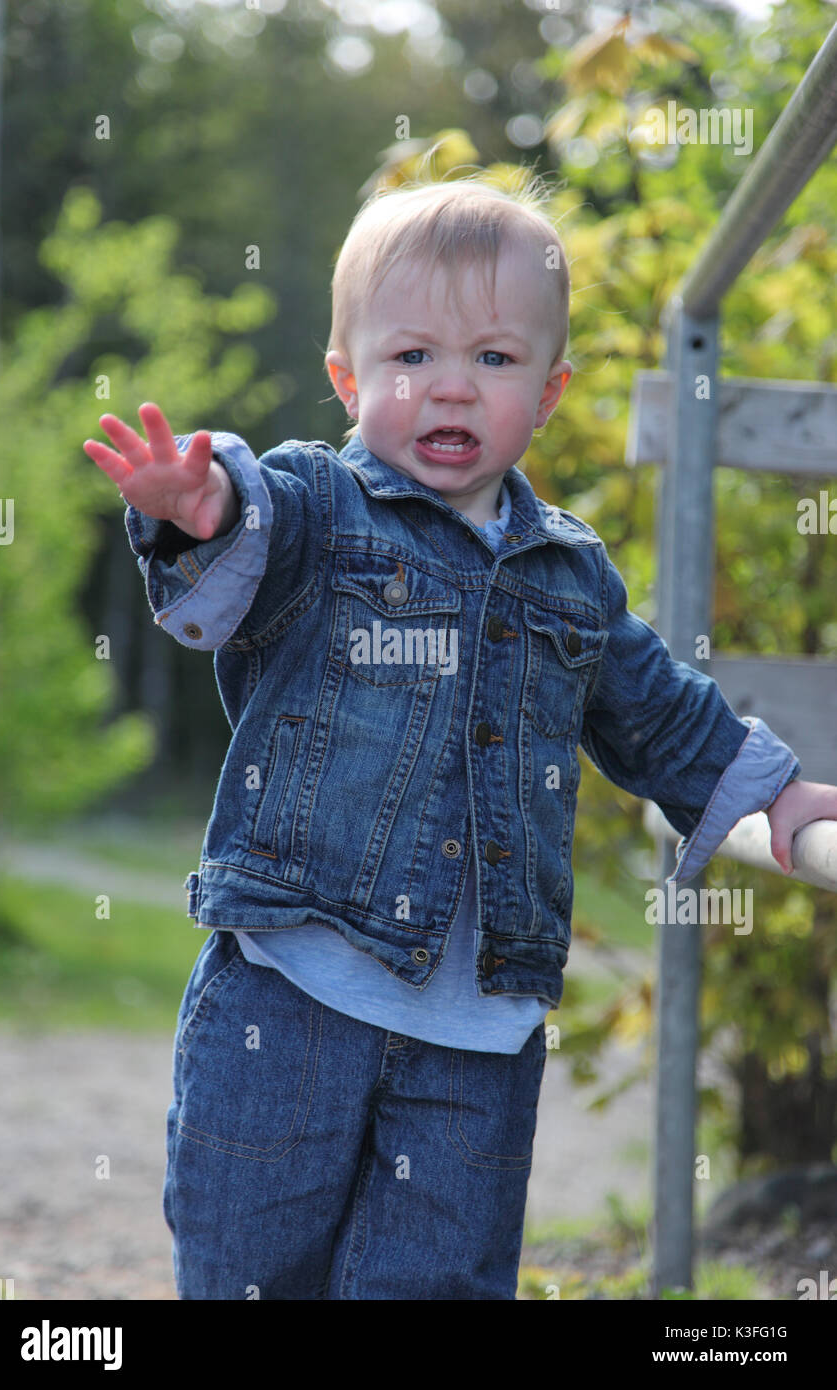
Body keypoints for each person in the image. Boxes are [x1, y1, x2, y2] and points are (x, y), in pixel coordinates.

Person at [83, 173, 836, 1300]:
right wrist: (198, 510)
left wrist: (776, 799)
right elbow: (250, 518)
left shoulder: (570, 575)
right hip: (289, 991)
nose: (450, 386)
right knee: (249, 1260)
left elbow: (656, 709)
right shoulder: (321, 512)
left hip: (477, 1030)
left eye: (492, 359)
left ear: (548, 391)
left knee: (433, 1280)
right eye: (410, 358)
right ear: (347, 377)